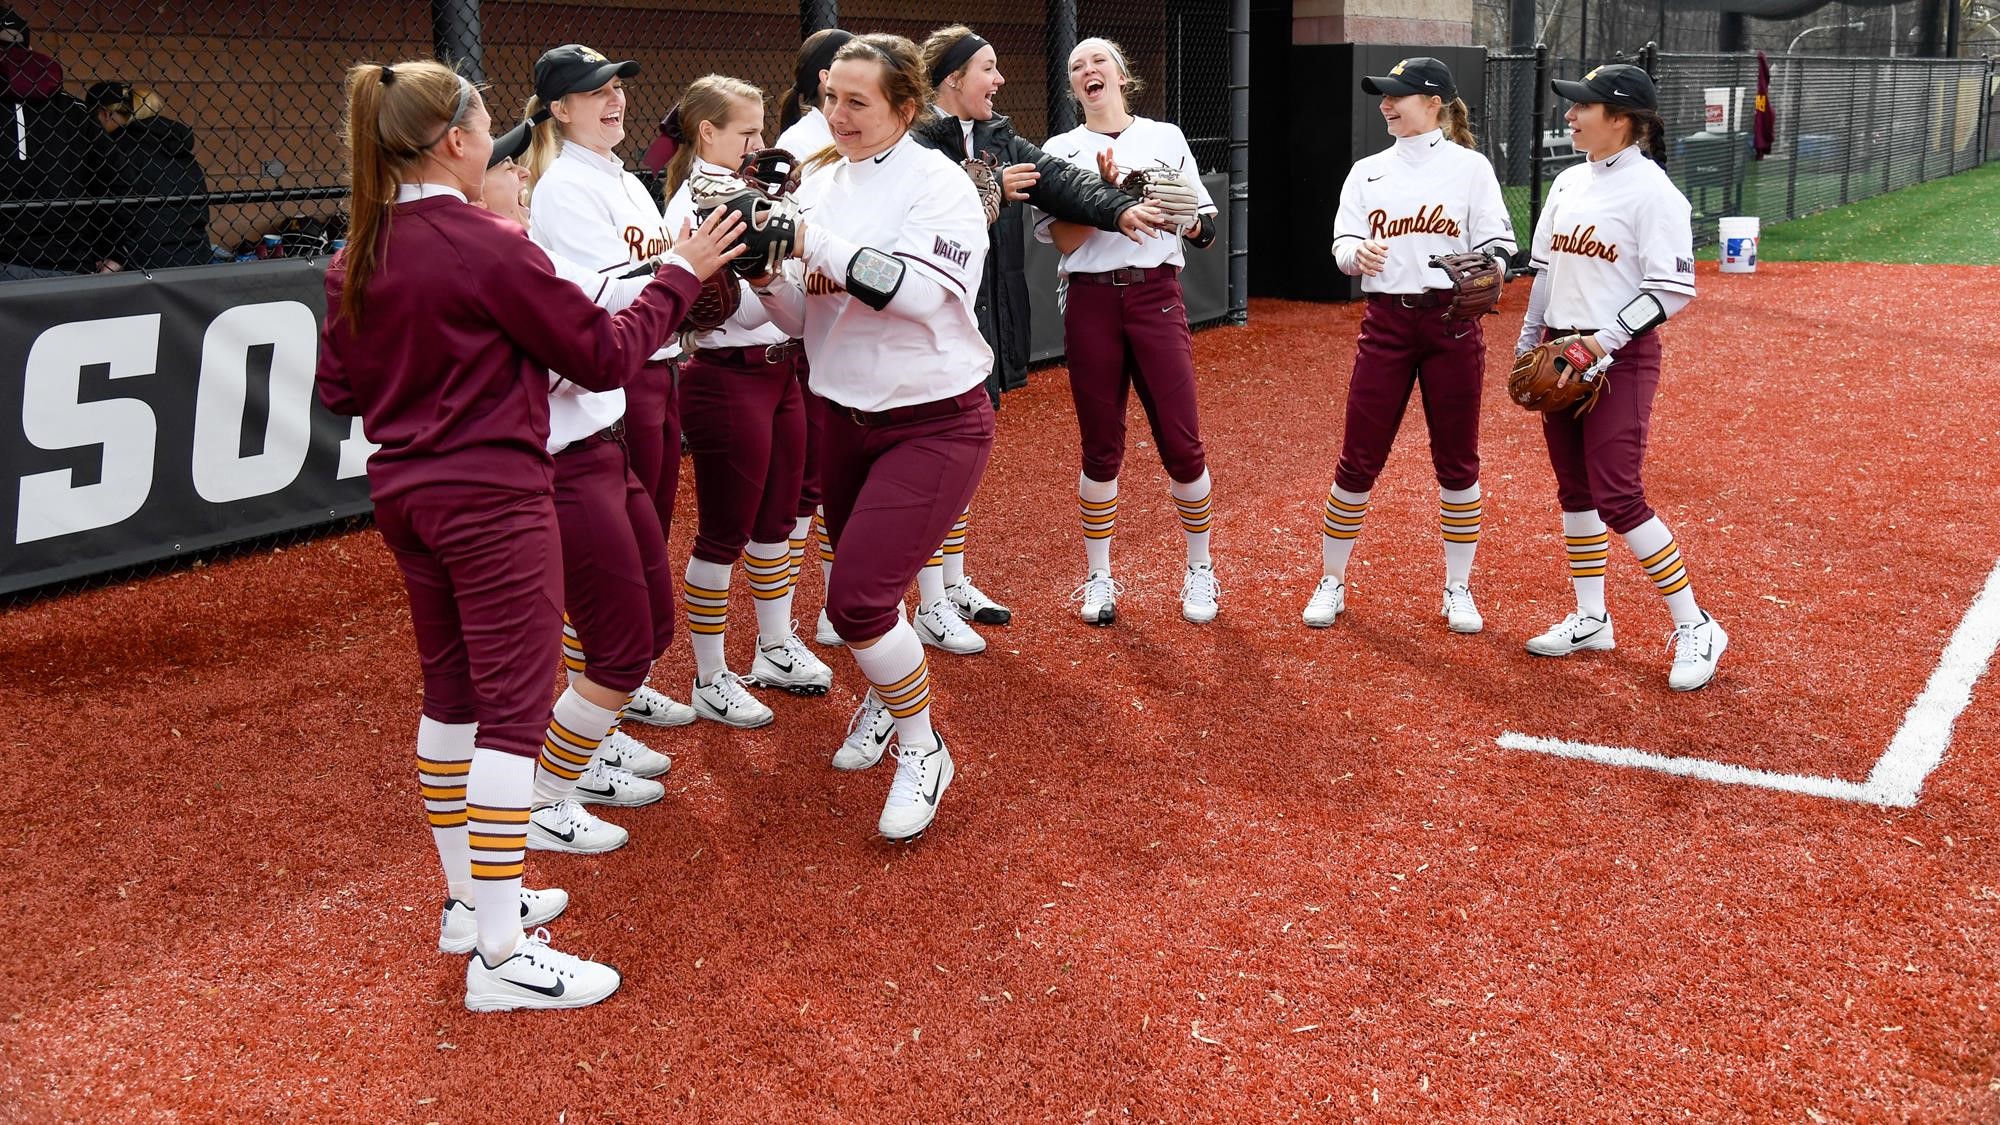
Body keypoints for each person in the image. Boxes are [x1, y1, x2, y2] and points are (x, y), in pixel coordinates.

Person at [315, 58, 740, 1009]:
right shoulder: (481, 241)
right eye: (485, 128)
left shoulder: (358, 249)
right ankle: (502, 958)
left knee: (453, 695)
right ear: (457, 142)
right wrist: (679, 276)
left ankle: (470, 906)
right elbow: (602, 356)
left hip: (408, 493)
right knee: (511, 712)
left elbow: (339, 390)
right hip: (492, 492)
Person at [748, 33, 994, 841]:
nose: (837, 115)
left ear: (906, 107)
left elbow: (915, 293)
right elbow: (803, 315)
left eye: (858, 100)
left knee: (854, 601)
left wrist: (808, 239)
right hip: (840, 412)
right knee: (870, 597)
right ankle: (889, 704)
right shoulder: (823, 182)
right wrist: (761, 278)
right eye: (828, 97)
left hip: (934, 418)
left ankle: (925, 747)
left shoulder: (939, 185)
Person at [909, 26, 1171, 645]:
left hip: (983, 316)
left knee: (963, 449)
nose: (999, 80)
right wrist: (988, 191)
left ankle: (952, 581)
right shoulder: (918, 144)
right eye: (988, 69)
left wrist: (1116, 206)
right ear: (953, 79)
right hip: (926, 322)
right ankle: (925, 600)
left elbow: (1061, 181)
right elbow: (922, 223)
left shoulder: (999, 139)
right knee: (930, 455)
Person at [474, 124, 678, 861]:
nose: (521, 177)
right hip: (560, 464)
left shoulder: (524, 250)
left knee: (652, 626)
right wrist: (675, 277)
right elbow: (588, 358)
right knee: (620, 645)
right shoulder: (496, 263)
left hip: (606, 447)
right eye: (506, 168)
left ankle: (579, 752)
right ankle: (546, 795)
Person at [1518, 63, 1725, 691]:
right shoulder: (1567, 183)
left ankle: (1697, 625)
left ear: (1623, 119)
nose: (1571, 115)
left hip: (1619, 358)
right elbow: (1547, 272)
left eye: (1583, 107)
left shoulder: (1654, 192)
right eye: (1573, 106)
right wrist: (1532, 341)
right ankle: (1590, 618)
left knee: (1617, 495)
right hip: (1561, 351)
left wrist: (1601, 343)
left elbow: (1670, 290)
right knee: (1575, 492)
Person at [518, 43, 702, 731]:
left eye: (618, 86)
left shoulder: (624, 178)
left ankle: (618, 685)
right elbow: (594, 297)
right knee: (617, 562)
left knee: (645, 542)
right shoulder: (566, 185)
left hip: (655, 366)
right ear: (559, 110)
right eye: (595, 92)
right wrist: (681, 269)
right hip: (618, 375)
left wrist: (685, 269)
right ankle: (601, 687)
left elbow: (647, 276)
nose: (614, 99)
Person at [1305, 58, 1515, 632]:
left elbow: (1501, 246)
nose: (1385, 103)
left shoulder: (1471, 169)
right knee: (1358, 457)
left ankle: (1458, 588)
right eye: (1384, 95)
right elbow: (1343, 241)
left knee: (1457, 461)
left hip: (1451, 324)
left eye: (1399, 94)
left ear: (1435, 102)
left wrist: (1487, 268)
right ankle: (1332, 579)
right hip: (1387, 322)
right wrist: (1356, 255)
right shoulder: (1366, 170)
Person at [658, 75, 833, 726]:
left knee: (779, 519)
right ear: (707, 133)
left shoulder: (752, 191)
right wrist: (771, 276)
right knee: (723, 533)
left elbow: (787, 314)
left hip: (779, 372)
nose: (760, 144)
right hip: (725, 373)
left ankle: (775, 644)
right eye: (746, 133)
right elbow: (723, 307)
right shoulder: (690, 206)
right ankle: (709, 675)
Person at [1036, 37, 1221, 626]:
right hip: (1091, 299)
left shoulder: (1165, 136)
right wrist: (1106, 199)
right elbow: (1062, 240)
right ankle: (1098, 575)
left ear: (1121, 73)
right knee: (1099, 445)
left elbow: (1205, 231)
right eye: (1076, 67)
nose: (1088, 71)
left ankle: (1200, 566)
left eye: (1098, 61)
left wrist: (1180, 212)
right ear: (1073, 87)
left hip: (1155, 294)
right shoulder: (1060, 150)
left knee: (1181, 438)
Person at [773, 28, 850, 650]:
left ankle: (829, 605)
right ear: (825, 79)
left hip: (827, 321)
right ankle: (806, 616)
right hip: (810, 321)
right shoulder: (804, 140)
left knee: (822, 478)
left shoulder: (827, 136)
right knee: (812, 479)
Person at [1, 9, 96, 277]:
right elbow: (113, 178)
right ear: (30, 47)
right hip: (70, 256)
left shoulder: (74, 108)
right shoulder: (74, 108)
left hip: (17, 257)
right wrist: (114, 252)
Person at [83, 81, 213, 270]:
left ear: (105, 114)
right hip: (195, 253)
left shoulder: (114, 151)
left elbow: (118, 212)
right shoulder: (175, 146)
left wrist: (118, 256)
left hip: (142, 263)